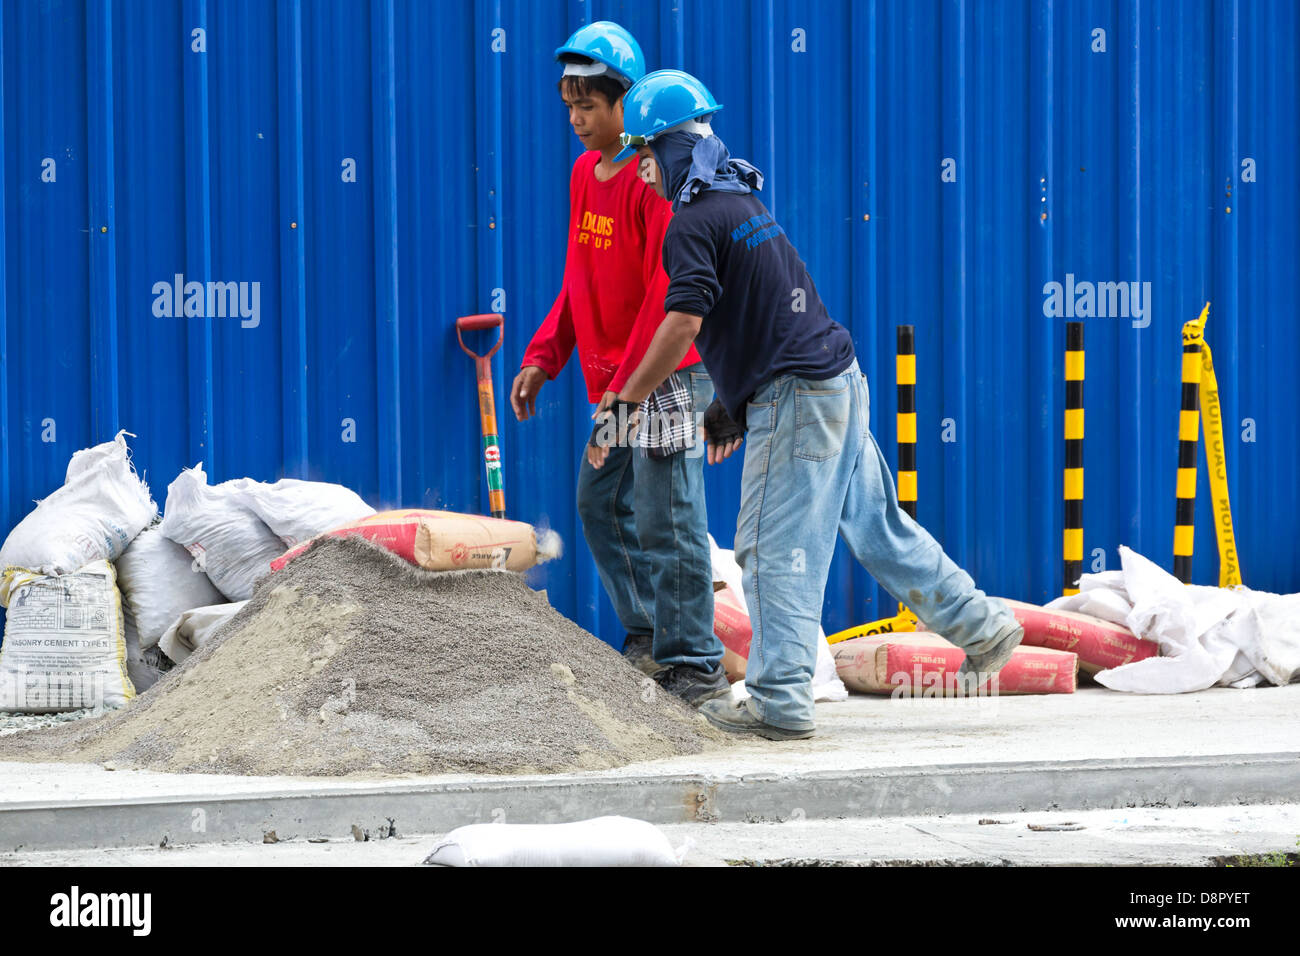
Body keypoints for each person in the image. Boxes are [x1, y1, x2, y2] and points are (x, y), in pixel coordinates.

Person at [592, 69, 1025, 739]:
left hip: (798, 396)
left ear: (674, 146)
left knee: (770, 548)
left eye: (646, 150)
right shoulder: (740, 204)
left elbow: (682, 323)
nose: (640, 165)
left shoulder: (693, 220)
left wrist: (622, 406)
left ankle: (779, 699)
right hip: (840, 382)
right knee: (879, 526)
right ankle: (984, 626)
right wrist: (731, 402)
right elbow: (765, 307)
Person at [512, 26, 732, 706]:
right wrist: (546, 356)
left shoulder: (651, 184)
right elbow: (580, 277)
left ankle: (695, 660)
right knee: (600, 503)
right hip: (619, 388)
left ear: (627, 103)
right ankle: (648, 639)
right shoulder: (585, 175)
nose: (578, 119)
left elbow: (661, 303)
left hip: (664, 378)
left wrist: (623, 393)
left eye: (591, 105)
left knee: (668, 514)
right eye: (570, 106)